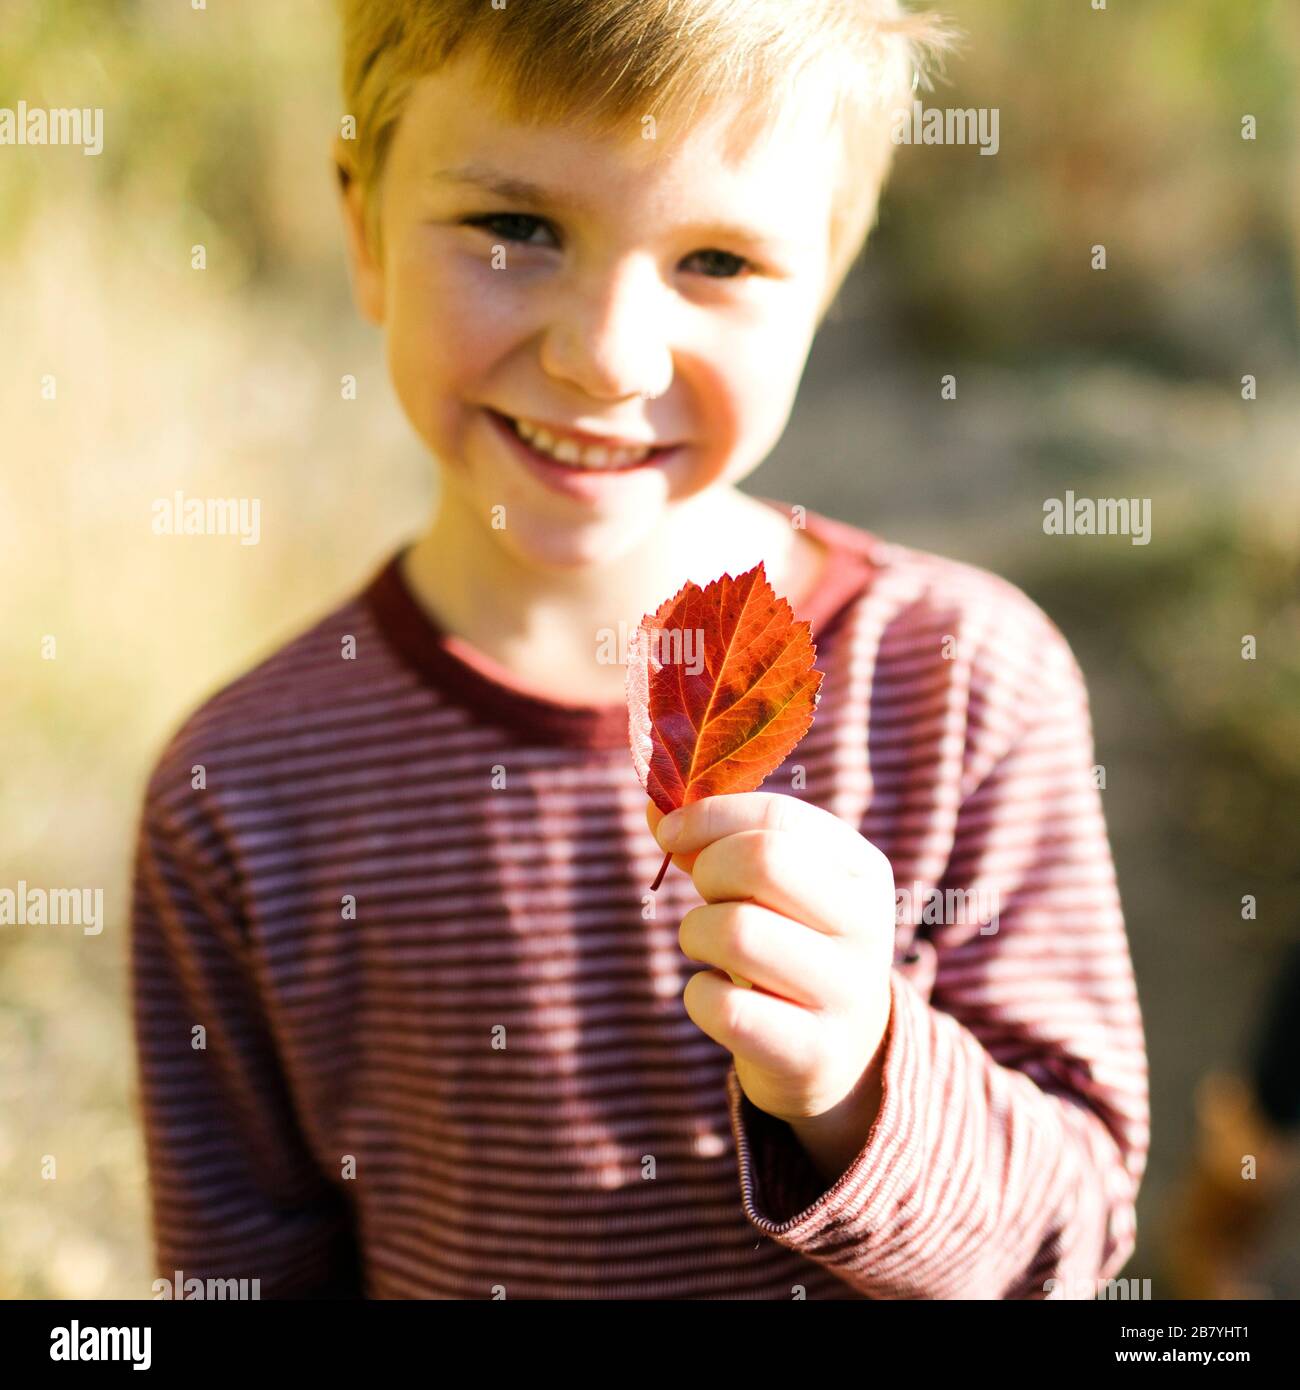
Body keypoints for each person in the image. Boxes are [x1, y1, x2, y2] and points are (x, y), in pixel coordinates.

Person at [129, 0, 1149, 1298]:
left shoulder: (961, 683)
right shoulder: (240, 790)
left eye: (717, 260)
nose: (605, 356)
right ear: (362, 227)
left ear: (830, 273)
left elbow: (1077, 1237)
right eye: (515, 227)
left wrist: (862, 1082)